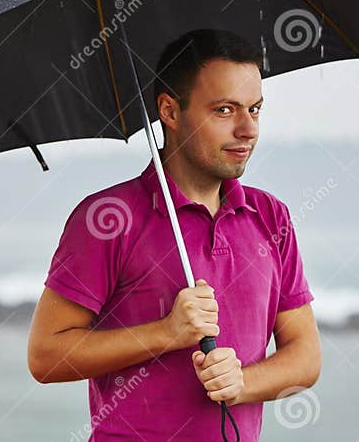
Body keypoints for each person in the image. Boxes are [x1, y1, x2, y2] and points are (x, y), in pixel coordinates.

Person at [27, 28, 321, 441]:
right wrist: (166, 333)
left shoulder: (271, 217)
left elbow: (305, 356)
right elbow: (46, 356)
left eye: (254, 110)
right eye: (224, 110)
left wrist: (242, 382)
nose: (247, 129)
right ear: (169, 110)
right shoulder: (108, 218)